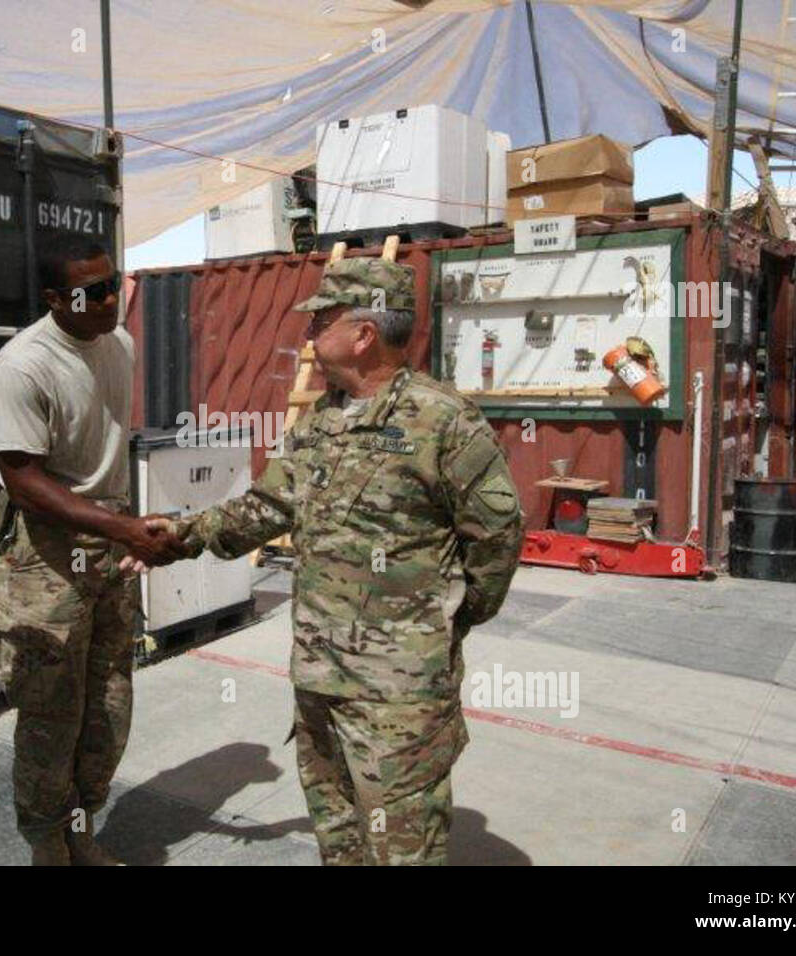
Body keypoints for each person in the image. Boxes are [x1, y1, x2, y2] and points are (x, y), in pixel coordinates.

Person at [137, 256, 524, 865]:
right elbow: (269, 507)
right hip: (319, 678)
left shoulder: (444, 420)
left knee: (403, 851)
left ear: (364, 334)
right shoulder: (321, 420)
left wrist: (444, 621)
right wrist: (183, 535)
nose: (310, 334)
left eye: (321, 321)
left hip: (397, 694)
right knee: (339, 841)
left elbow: (497, 537)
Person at [0, 236, 183, 866]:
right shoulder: (23, 365)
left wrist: (124, 527)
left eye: (113, 284)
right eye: (92, 292)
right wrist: (120, 527)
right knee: (51, 715)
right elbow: (23, 479)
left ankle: (81, 832)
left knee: (108, 706)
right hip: (43, 555)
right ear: (53, 298)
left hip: (108, 547)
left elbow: (108, 449)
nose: (109, 300)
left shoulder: (118, 344)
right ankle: (48, 848)